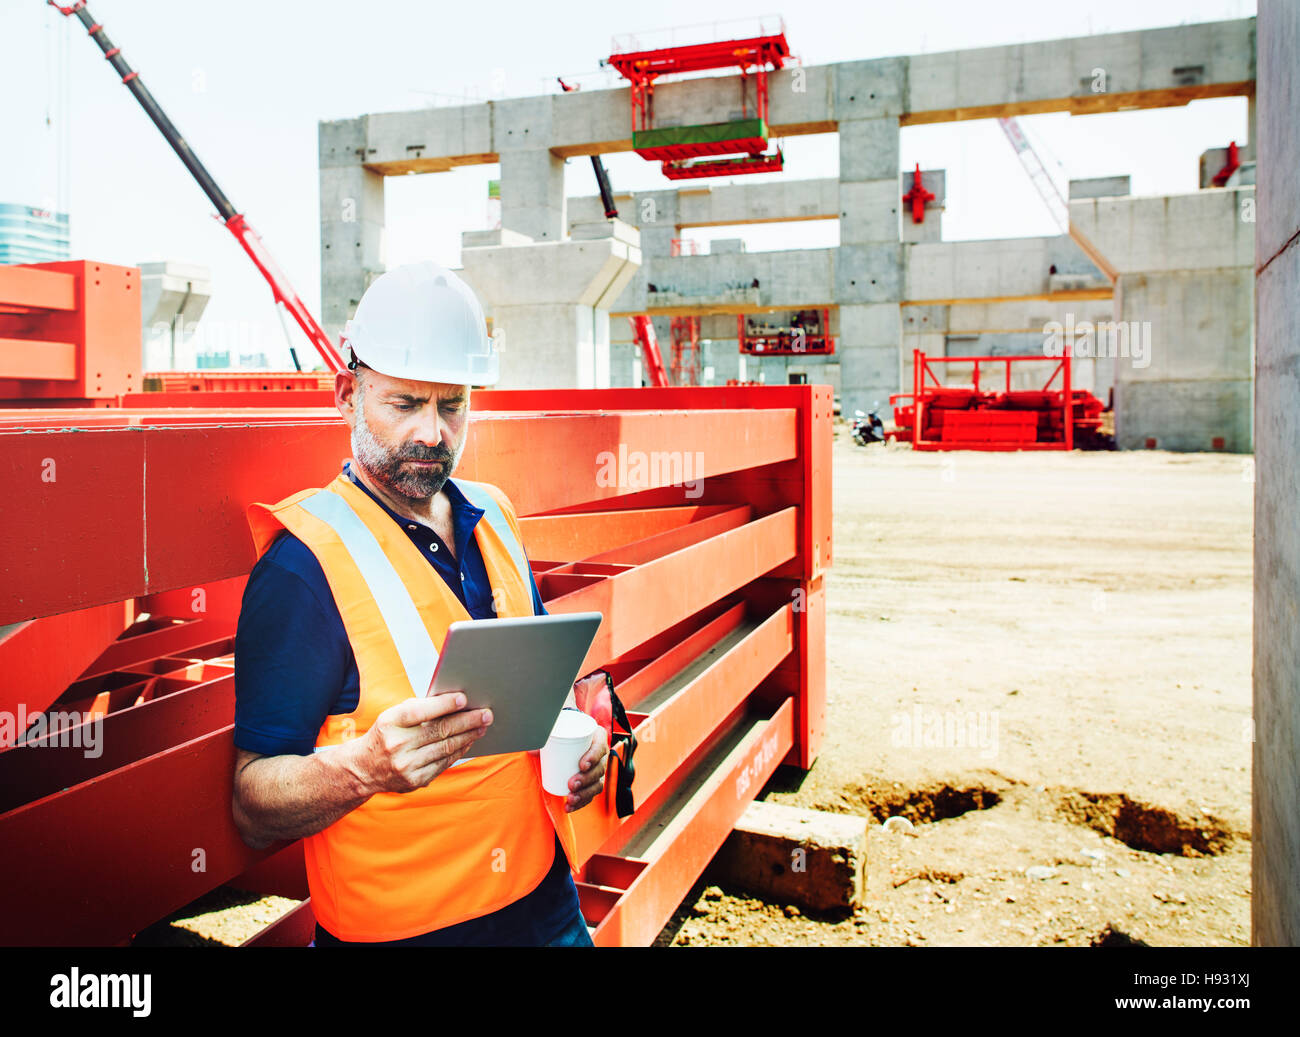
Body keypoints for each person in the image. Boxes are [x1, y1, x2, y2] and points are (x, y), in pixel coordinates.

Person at [230, 261, 608, 947]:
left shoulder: (495, 514)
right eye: (404, 403)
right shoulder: (302, 565)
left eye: (453, 404)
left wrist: (585, 743)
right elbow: (253, 800)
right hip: (405, 931)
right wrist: (365, 767)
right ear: (347, 394)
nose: (433, 433)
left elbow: (544, 685)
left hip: (546, 903)